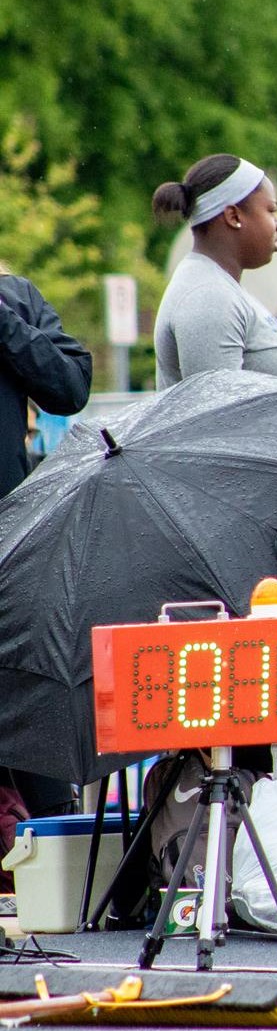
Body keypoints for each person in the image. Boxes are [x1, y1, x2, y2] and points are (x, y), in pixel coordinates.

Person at [0, 265, 92, 818]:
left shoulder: (13, 298)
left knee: (32, 709)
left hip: (14, 551)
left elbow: (70, 386)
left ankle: (59, 863)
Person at [151, 154, 277, 386]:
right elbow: (216, 416)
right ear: (233, 216)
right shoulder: (208, 296)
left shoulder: (216, 285)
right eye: (270, 210)